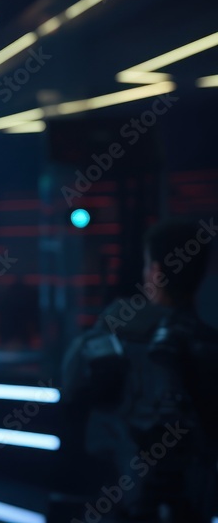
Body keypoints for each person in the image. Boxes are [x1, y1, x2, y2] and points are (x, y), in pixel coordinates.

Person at [61, 219, 218, 522]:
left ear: (156, 271)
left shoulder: (116, 327)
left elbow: (70, 389)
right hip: (194, 503)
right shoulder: (208, 344)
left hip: (118, 498)